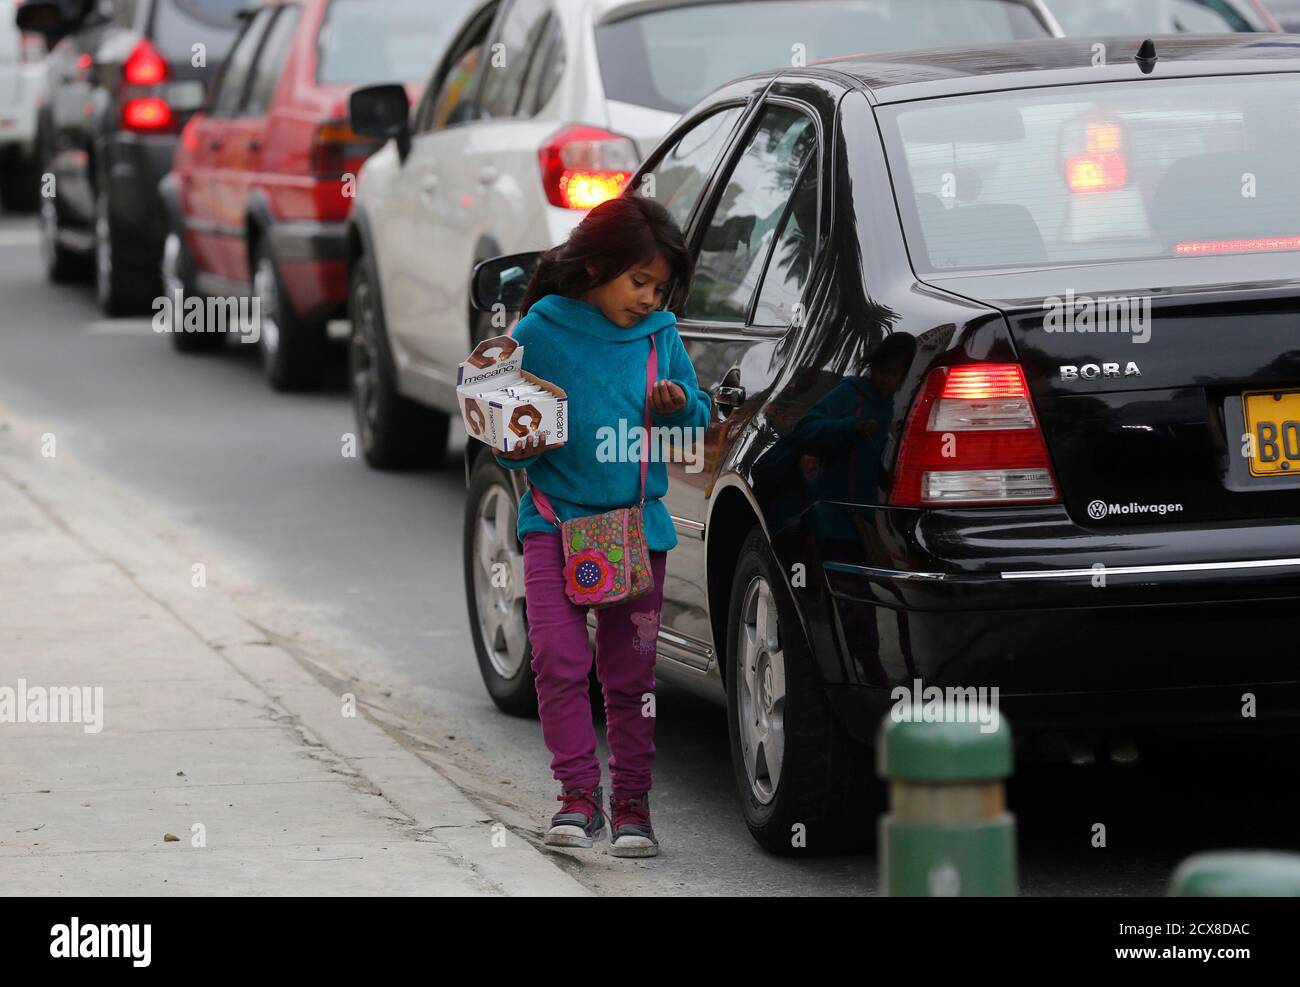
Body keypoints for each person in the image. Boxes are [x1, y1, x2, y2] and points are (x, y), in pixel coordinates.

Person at [494, 193, 711, 857]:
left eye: (660, 286)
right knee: (559, 661)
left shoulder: (660, 336)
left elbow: (698, 423)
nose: (648, 297)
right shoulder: (539, 330)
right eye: (638, 281)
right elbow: (506, 430)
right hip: (552, 523)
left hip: (638, 531)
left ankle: (633, 804)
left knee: (630, 675)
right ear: (595, 265)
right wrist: (514, 441)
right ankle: (576, 797)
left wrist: (677, 407)